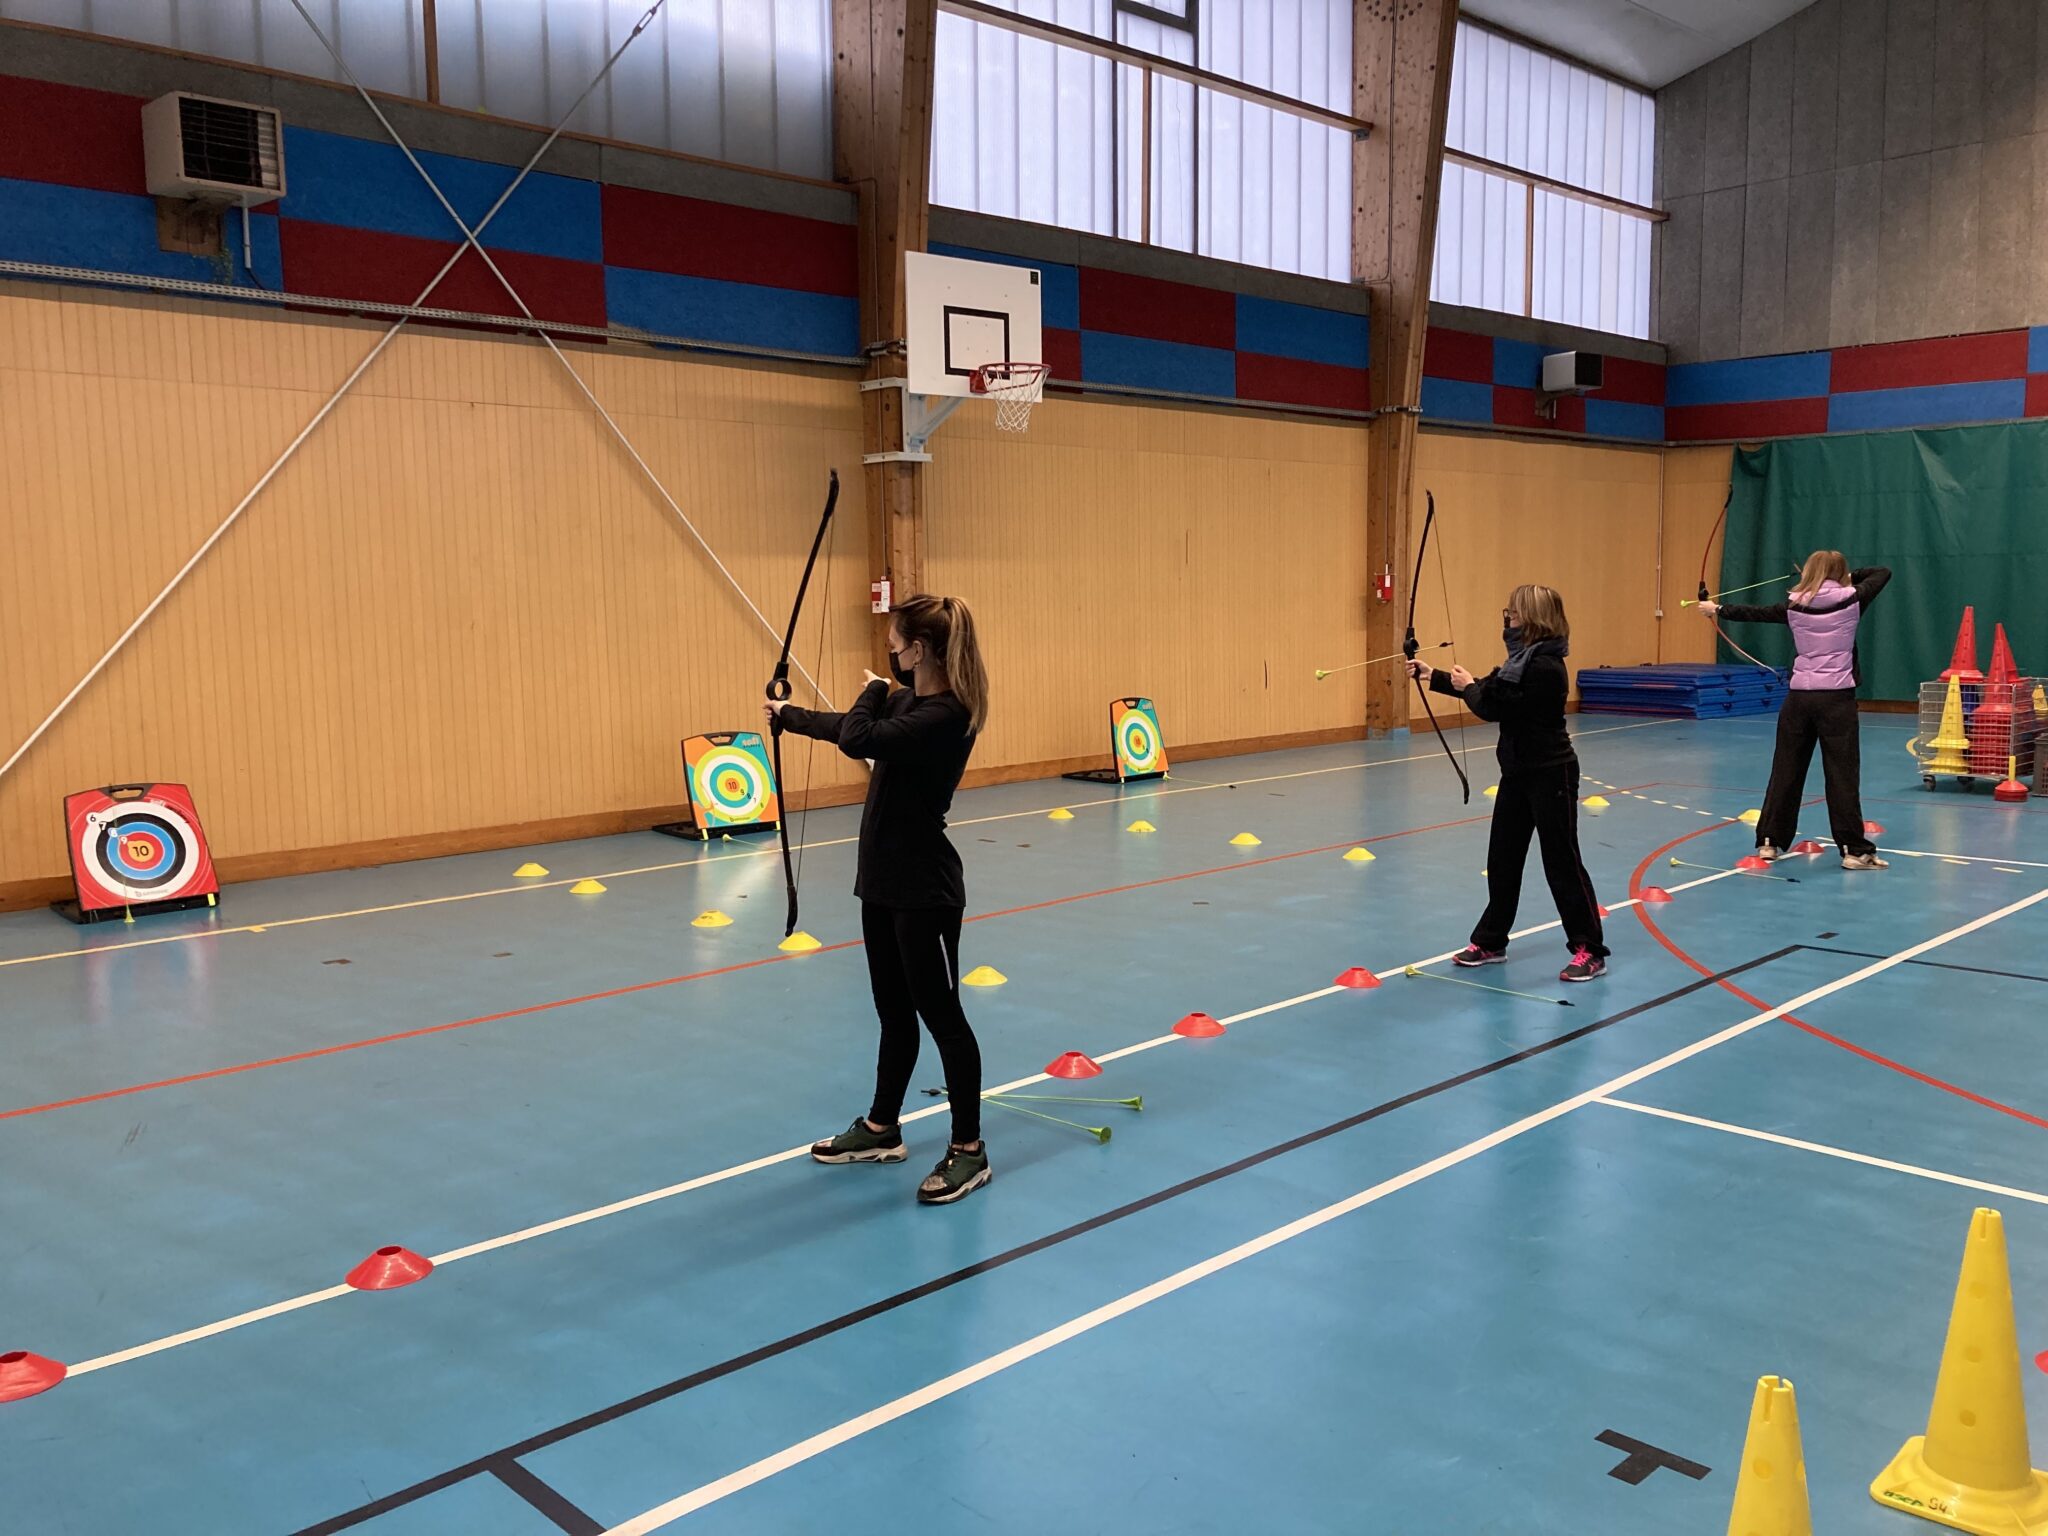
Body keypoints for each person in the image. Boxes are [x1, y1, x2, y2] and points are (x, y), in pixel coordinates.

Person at [768, 594, 993, 1205]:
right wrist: (789, 715)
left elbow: (860, 734)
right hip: (883, 884)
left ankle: (969, 1149)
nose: (888, 654)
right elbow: (847, 726)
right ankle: (881, 1128)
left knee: (942, 1016)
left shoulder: (945, 714)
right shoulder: (911, 703)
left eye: (894, 645)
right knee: (893, 1011)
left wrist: (872, 689)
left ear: (919, 651)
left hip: (925, 891)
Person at [1407, 584, 1608, 983]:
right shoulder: (1522, 659)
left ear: (1532, 619)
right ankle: (1491, 941)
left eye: (1514, 614)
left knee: (1562, 861)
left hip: (1551, 772)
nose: (1508, 620)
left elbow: (1493, 705)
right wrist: (1435, 676)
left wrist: (1469, 687)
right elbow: (1492, 688)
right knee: (1503, 858)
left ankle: (1589, 949)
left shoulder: (1545, 666)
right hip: (1517, 773)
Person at [1700, 552, 1891, 870]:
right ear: (1840, 573)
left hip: (1799, 700)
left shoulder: (1793, 605)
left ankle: (1769, 842)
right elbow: (1881, 571)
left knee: (1785, 771)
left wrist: (1716, 609)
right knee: (1842, 777)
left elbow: (1754, 613)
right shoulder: (1854, 598)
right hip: (1837, 701)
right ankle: (1855, 852)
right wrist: (1847, 577)